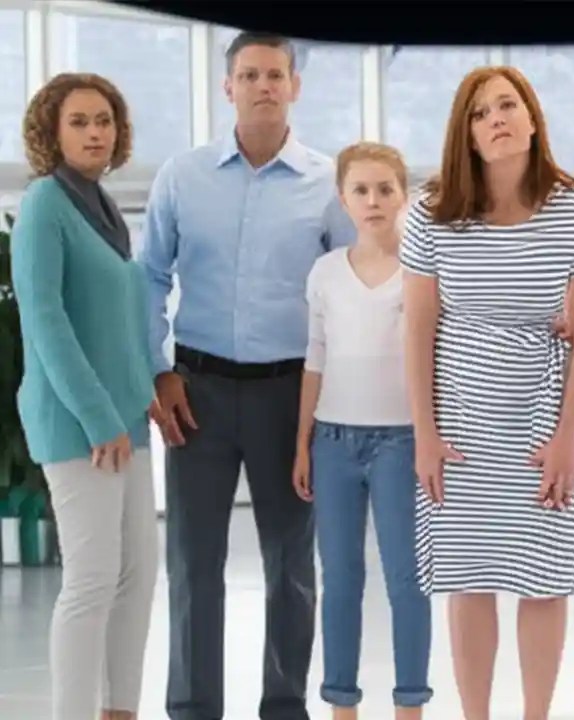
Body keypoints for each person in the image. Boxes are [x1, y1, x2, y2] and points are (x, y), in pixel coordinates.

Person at [139, 31, 357, 720]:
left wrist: (333, 402)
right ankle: (193, 707)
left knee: (290, 565)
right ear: (228, 86)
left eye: (275, 74)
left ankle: (283, 705)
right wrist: (157, 369)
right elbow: (149, 277)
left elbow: (350, 291)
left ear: (295, 86)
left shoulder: (330, 183)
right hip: (194, 392)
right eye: (249, 74)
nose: (263, 85)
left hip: (290, 397)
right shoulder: (183, 174)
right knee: (192, 564)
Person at [400, 65, 574, 720]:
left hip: (541, 427)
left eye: (507, 106)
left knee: (544, 580)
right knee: (468, 581)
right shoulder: (432, 214)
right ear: (464, 133)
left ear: (531, 118)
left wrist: (565, 438)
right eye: (479, 112)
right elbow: (418, 333)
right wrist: (426, 436)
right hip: (459, 430)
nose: (496, 119)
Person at [10, 72, 159, 720]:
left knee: (138, 577)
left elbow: (117, 320)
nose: (96, 132)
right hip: (78, 424)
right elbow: (44, 320)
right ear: (51, 132)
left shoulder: (101, 208)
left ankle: (118, 710)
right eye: (80, 121)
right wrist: (99, 416)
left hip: (127, 419)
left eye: (104, 120)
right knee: (92, 581)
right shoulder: (45, 203)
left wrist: (144, 394)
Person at [290, 141, 433, 719]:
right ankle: (341, 704)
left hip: (402, 443)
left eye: (385, 189)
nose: (373, 201)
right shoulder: (325, 272)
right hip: (334, 444)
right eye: (361, 190)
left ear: (404, 195)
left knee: (407, 578)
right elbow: (314, 358)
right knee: (341, 578)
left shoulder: (423, 271)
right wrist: (303, 441)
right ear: (342, 198)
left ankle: (410, 705)